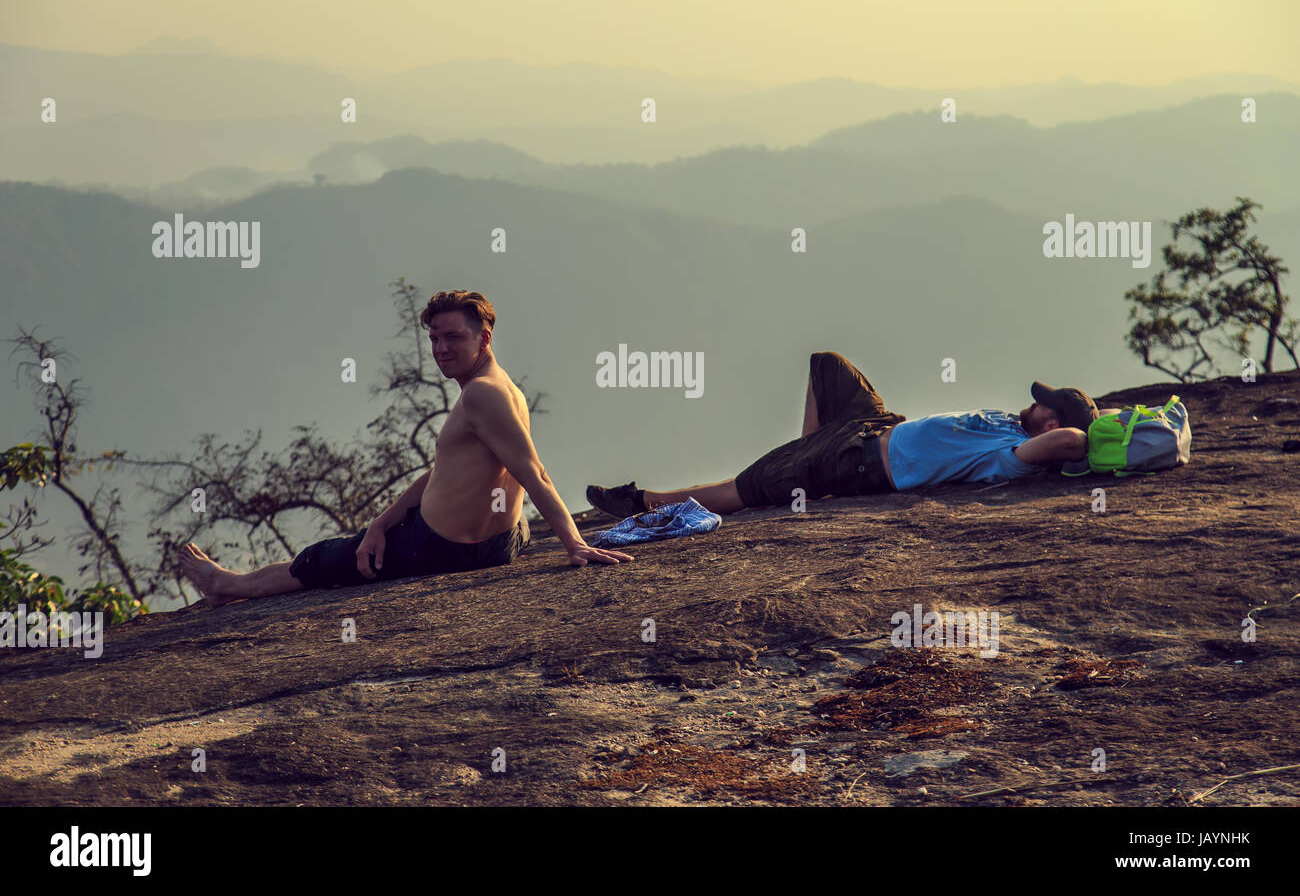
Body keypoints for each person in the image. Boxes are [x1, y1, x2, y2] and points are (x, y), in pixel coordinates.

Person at [181, 290, 631, 605]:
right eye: (434, 338)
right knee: (372, 536)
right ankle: (243, 578)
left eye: (453, 337)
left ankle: (226, 585)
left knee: (326, 559)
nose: (440, 348)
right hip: (502, 543)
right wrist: (382, 521)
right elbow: (449, 470)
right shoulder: (501, 387)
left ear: (484, 338)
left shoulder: (481, 395)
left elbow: (535, 473)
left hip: (442, 549)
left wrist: (574, 544)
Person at [587, 351, 1098, 518]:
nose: (1032, 401)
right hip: (874, 427)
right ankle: (801, 451)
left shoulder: (1013, 454)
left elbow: (1070, 444)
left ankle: (645, 503)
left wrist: (1091, 433)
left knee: (741, 491)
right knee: (828, 364)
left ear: (1051, 422)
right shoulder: (1012, 425)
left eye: (1042, 404)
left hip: (856, 464)